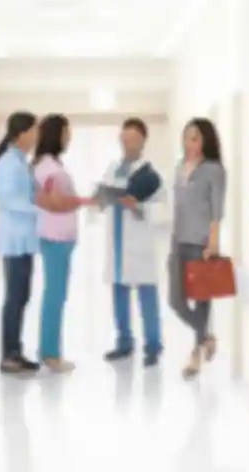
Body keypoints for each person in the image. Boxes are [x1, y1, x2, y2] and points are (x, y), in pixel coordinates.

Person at [99, 118, 167, 367]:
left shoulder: (151, 175)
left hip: (140, 245)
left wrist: (137, 207)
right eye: (124, 138)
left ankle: (153, 346)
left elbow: (161, 210)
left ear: (143, 141)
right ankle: (124, 343)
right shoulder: (113, 168)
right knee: (119, 294)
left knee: (147, 296)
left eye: (133, 138)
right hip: (116, 243)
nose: (127, 143)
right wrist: (103, 197)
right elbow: (103, 198)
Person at [31, 114, 91, 374]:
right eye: (66, 133)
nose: (69, 138)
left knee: (55, 294)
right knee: (55, 295)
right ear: (57, 135)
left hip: (59, 239)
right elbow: (54, 202)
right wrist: (84, 201)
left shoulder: (51, 164)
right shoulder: (48, 168)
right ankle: (51, 354)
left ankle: (49, 350)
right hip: (55, 239)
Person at [169, 117, 227, 379]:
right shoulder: (179, 168)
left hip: (202, 243)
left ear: (205, 141)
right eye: (186, 137)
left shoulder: (214, 170)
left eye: (195, 138)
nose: (189, 143)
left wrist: (213, 242)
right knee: (176, 301)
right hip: (178, 241)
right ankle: (206, 337)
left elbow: (217, 210)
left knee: (202, 303)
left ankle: (195, 355)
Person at [0, 111, 42, 374]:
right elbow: (8, 200)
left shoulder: (21, 161)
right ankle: (9, 355)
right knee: (14, 298)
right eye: (33, 131)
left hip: (24, 240)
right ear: (21, 133)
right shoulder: (7, 163)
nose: (36, 137)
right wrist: (39, 208)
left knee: (22, 297)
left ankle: (16, 351)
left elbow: (27, 193)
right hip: (14, 241)